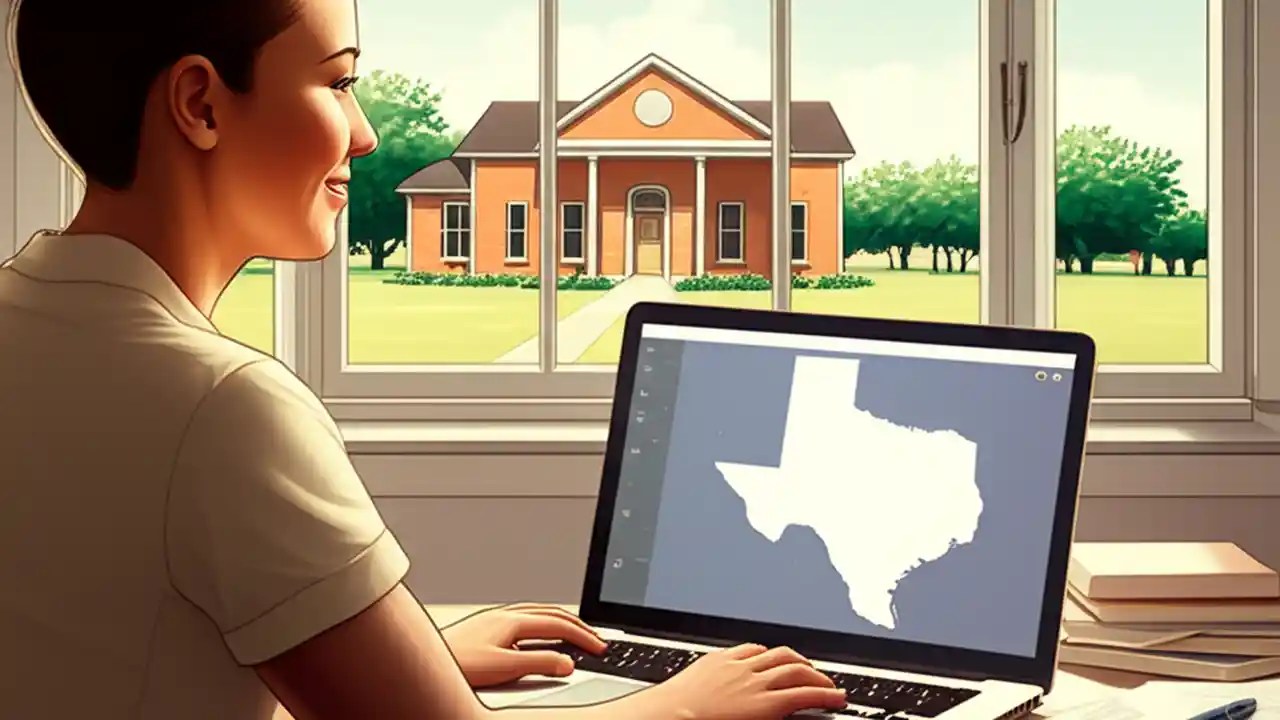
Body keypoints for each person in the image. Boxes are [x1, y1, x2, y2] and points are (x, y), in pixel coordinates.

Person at [0, 1, 850, 718]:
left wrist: (407, 661)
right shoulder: (221, 404)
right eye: (337, 82)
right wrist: (678, 703)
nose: (365, 135)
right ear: (202, 104)